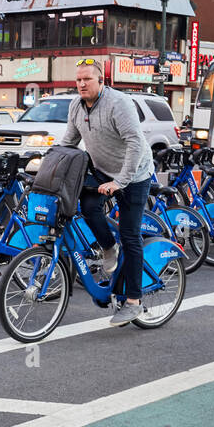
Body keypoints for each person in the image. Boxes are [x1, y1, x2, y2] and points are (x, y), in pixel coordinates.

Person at [59, 58, 155, 327]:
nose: (81, 84)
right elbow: (69, 141)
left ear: (101, 81)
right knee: (88, 206)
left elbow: (135, 143)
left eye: (87, 79)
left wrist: (121, 182)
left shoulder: (119, 103)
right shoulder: (76, 106)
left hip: (135, 174)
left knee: (130, 234)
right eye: (78, 79)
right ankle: (108, 247)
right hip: (103, 170)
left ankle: (134, 302)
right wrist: (47, 164)